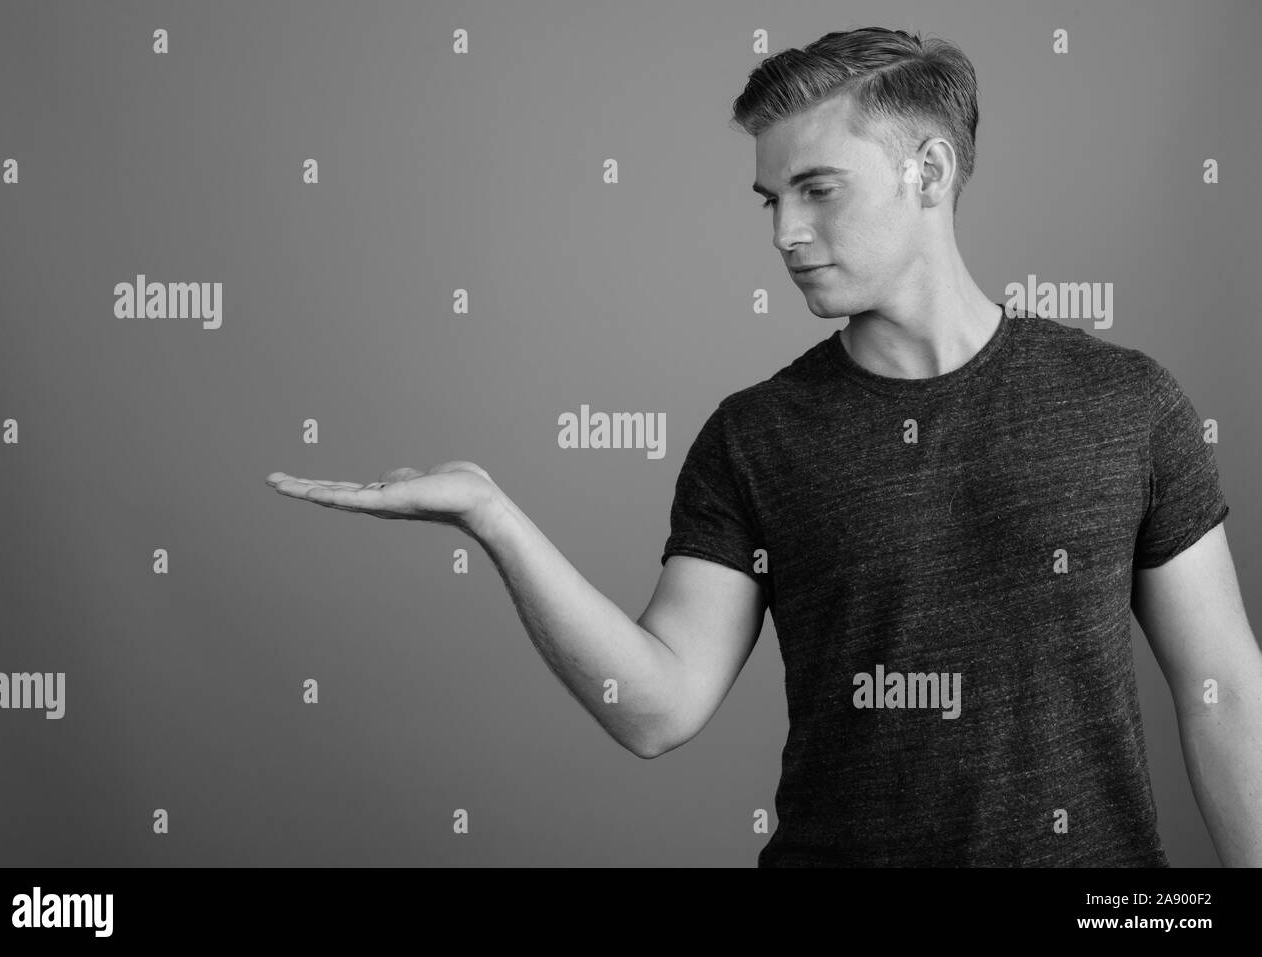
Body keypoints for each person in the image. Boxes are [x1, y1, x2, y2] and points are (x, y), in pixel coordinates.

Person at [265, 27, 1262, 867]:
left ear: (928, 171)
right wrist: (494, 517)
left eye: (817, 190)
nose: (783, 232)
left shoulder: (1123, 402)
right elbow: (654, 709)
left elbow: (1222, 692)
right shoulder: (754, 437)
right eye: (769, 199)